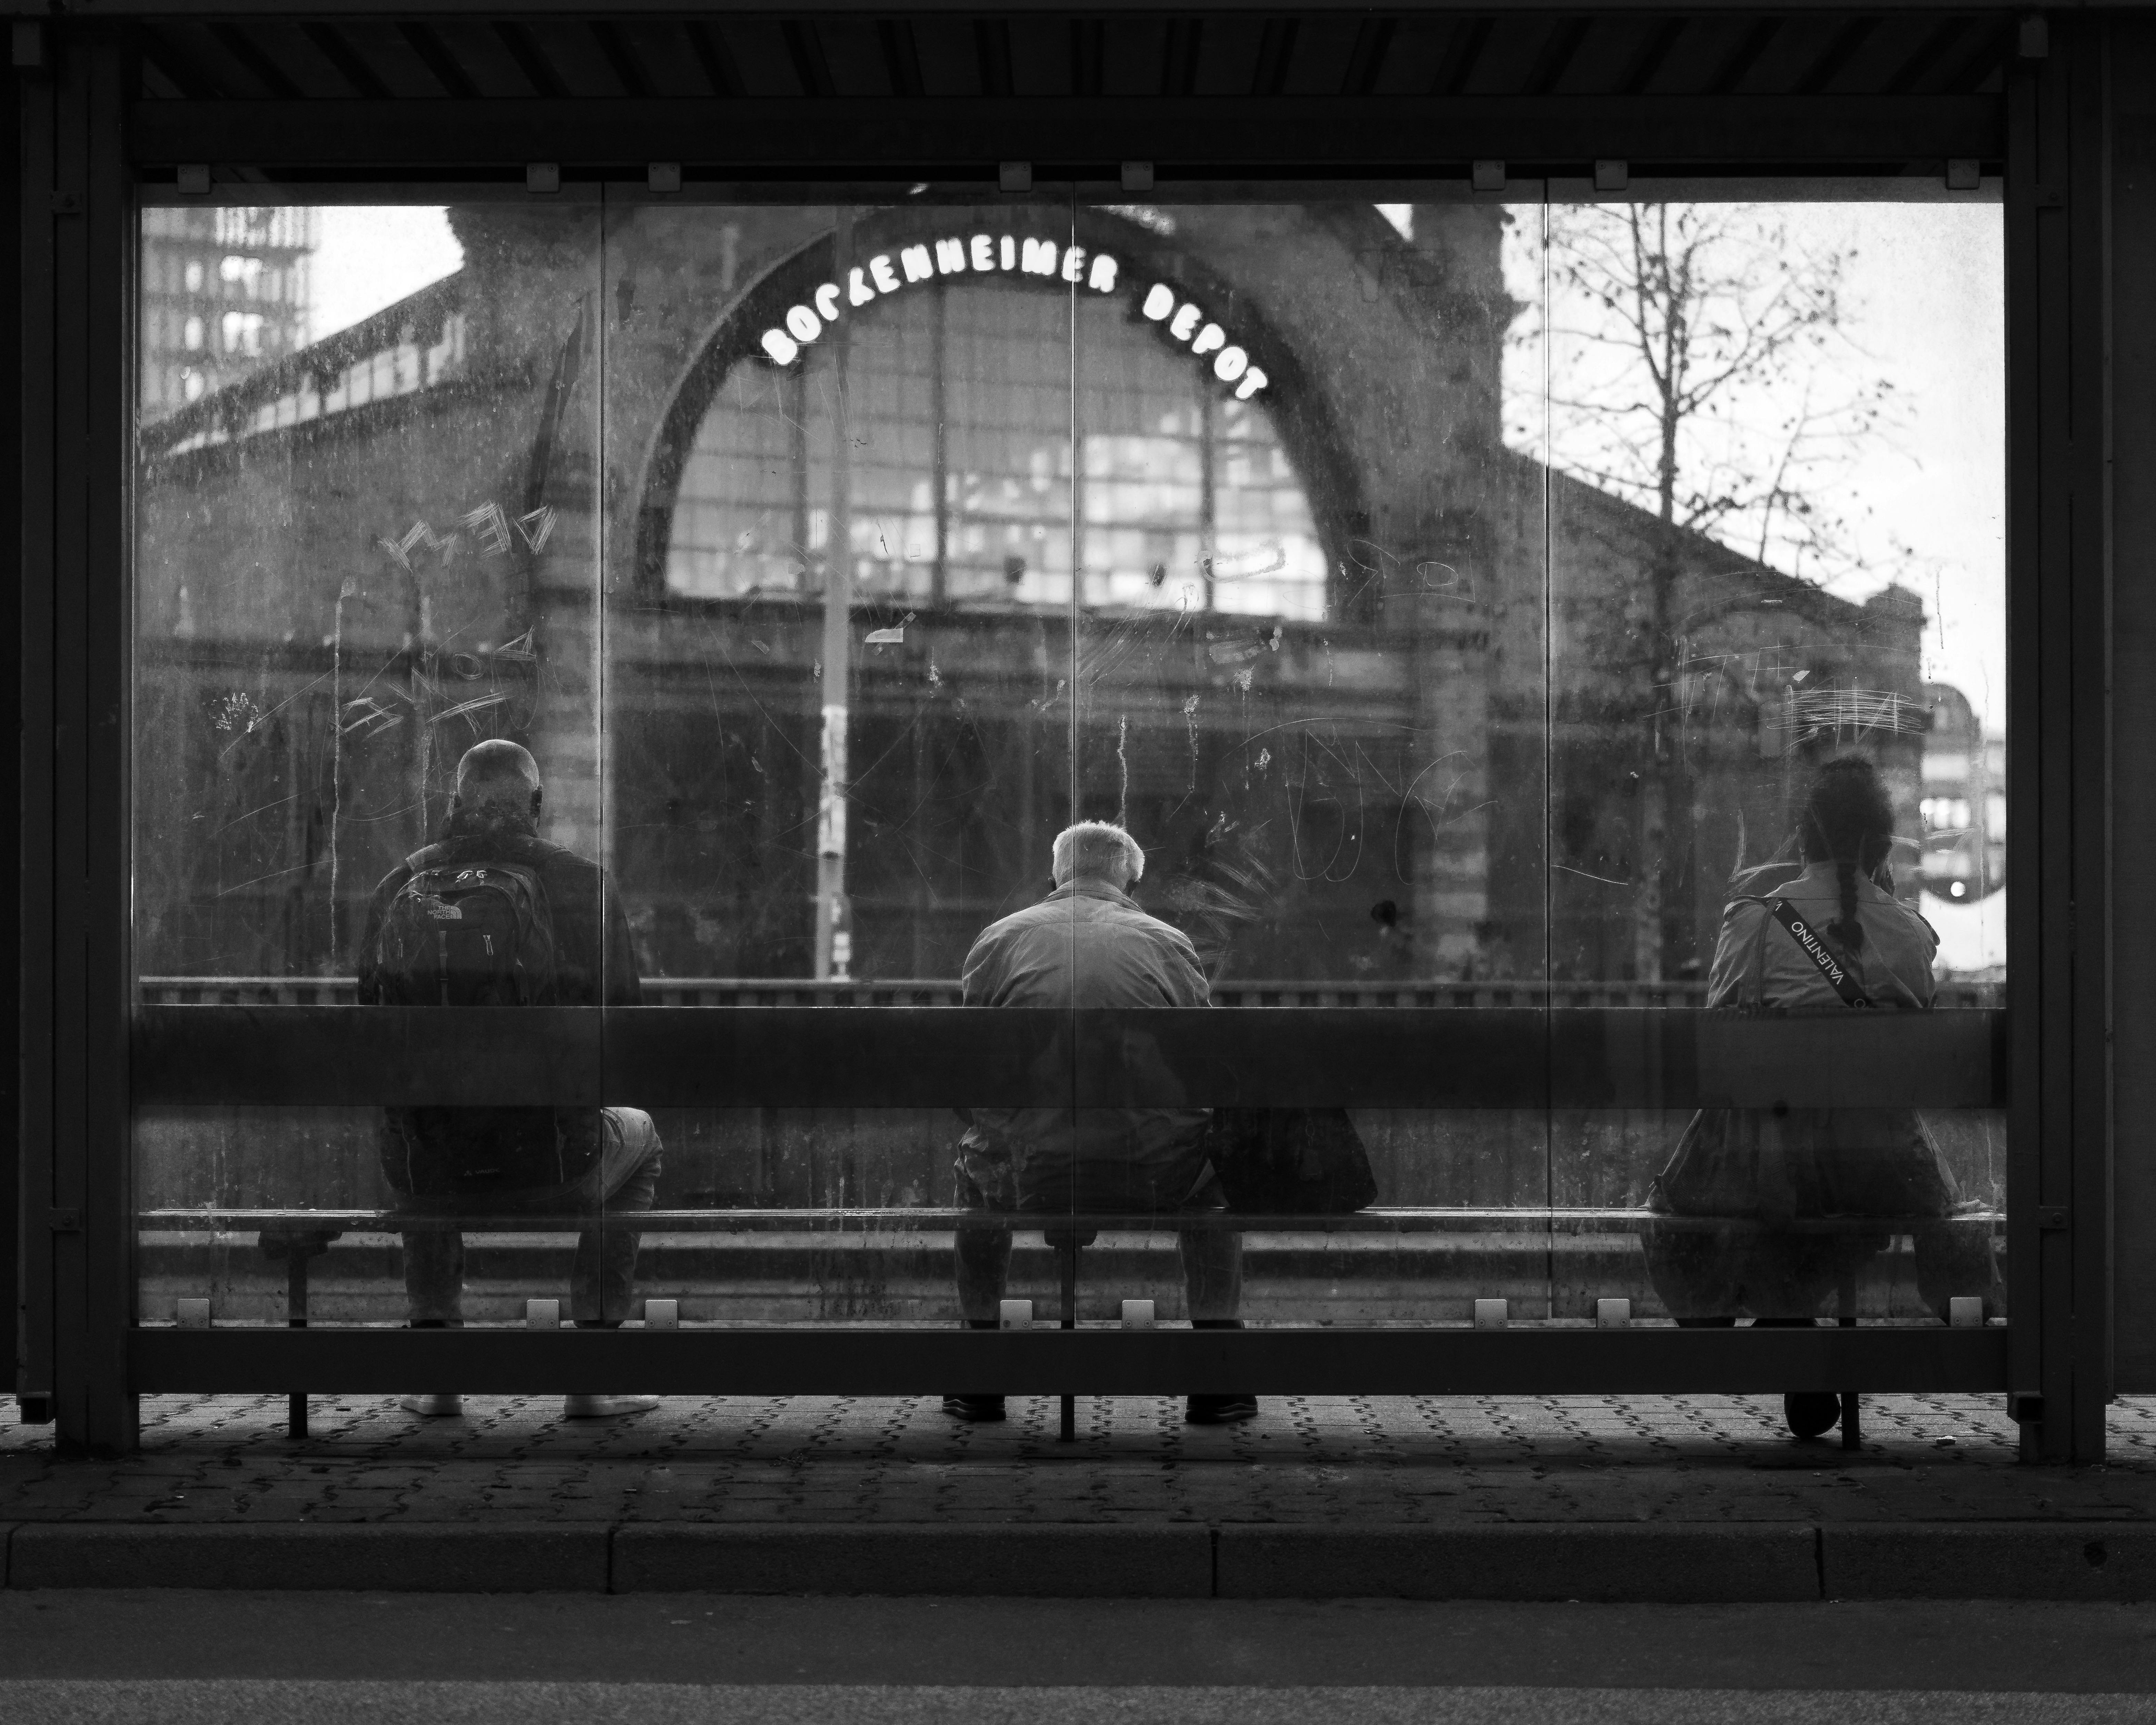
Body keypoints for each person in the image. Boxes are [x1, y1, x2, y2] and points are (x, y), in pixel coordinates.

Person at [1643, 755, 1998, 1438]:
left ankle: (1785, 1324)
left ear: (1802, 837)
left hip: (1763, 1160)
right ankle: (1796, 1330)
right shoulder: (1907, 935)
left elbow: (1721, 1040)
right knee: (1832, 1186)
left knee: (1745, 1180)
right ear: (1881, 845)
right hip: (1875, 1166)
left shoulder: (1751, 920)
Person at [356, 739, 663, 1421]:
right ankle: (590, 1372)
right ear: (537, 808)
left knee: (411, 1116)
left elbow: (372, 1038)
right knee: (642, 1137)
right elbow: (629, 1033)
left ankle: (437, 1373)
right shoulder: (586, 888)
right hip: (555, 1161)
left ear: (454, 806)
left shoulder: (396, 886)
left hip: (430, 1172)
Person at [946, 820, 1255, 1426]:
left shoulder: (999, 939)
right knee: (1213, 1186)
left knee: (976, 1176)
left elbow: (972, 1071)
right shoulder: (1168, 943)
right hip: (1152, 1174)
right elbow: (1200, 1068)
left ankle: (979, 1373)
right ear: (1131, 882)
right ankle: (1219, 1374)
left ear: (1056, 876)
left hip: (1027, 1173)